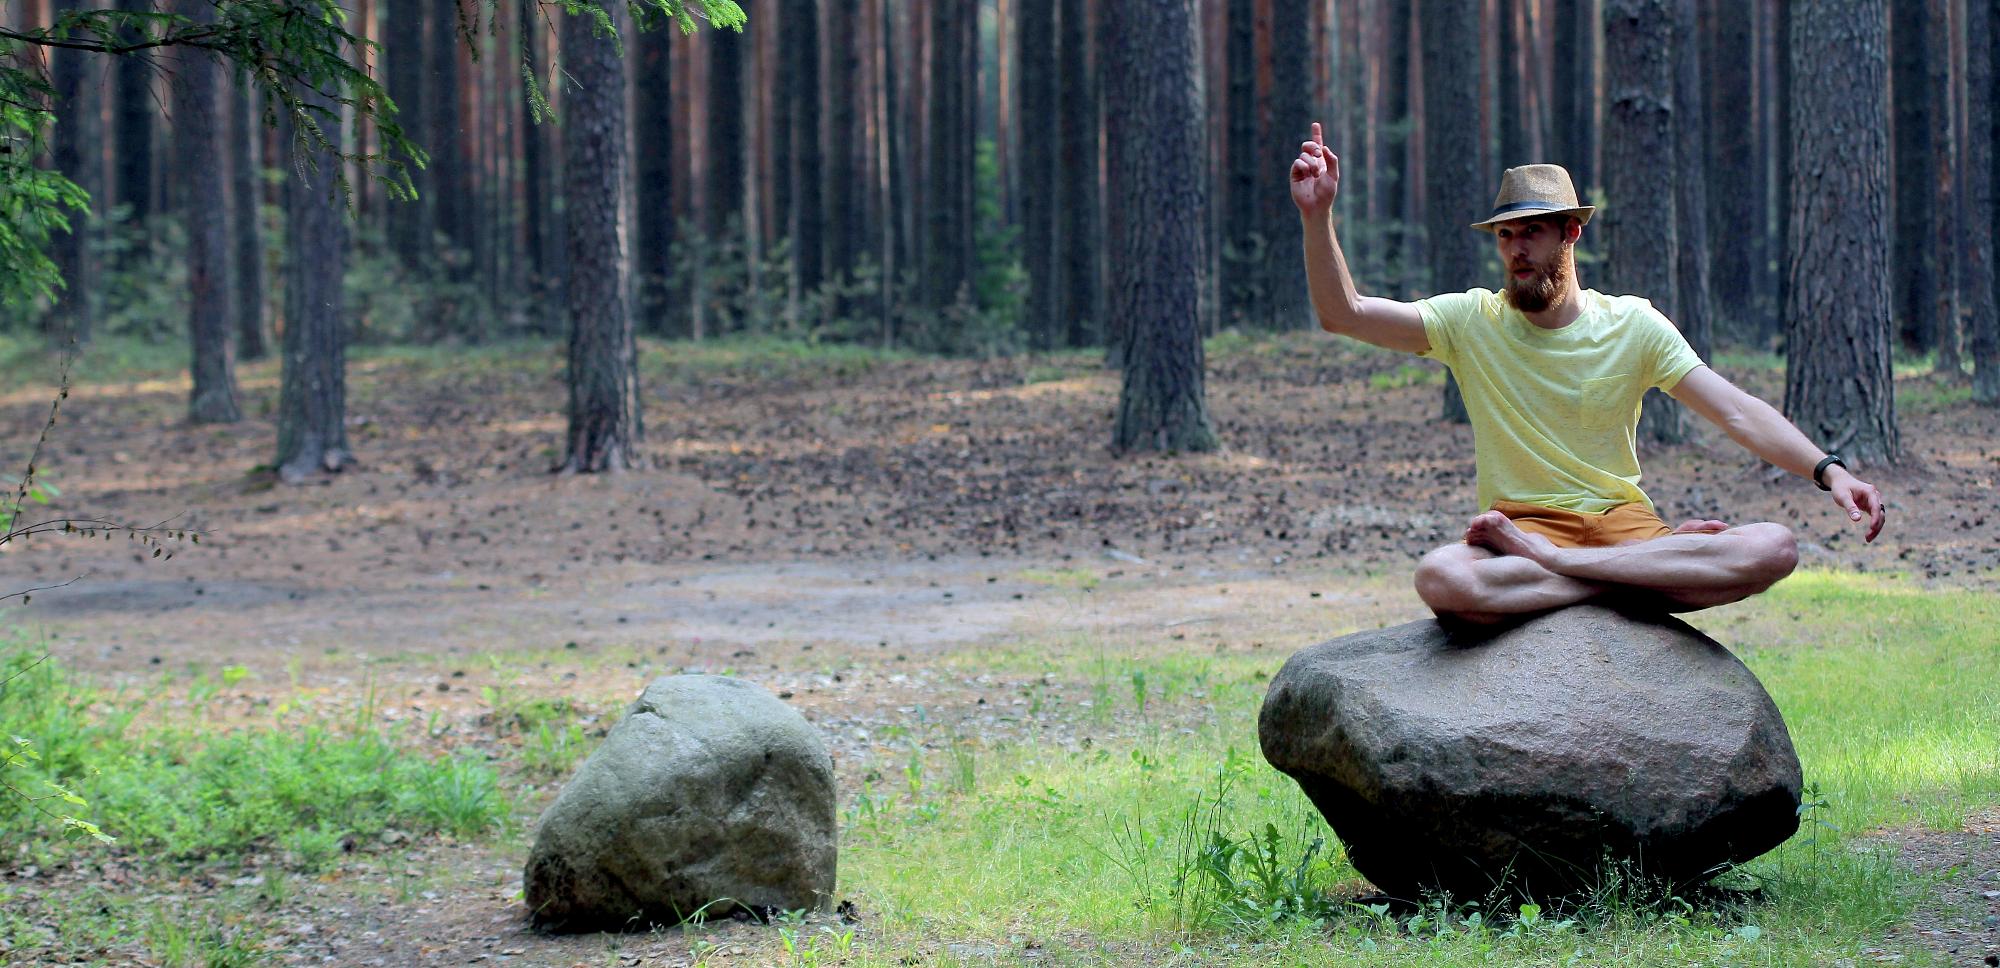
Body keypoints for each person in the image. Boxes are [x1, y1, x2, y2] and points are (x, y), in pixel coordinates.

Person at [1289, 124, 1886, 624]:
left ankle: (1577, 573)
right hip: (1522, 531)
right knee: (1441, 577)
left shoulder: (1632, 324)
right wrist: (1318, 216)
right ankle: (1639, 584)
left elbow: (1733, 409)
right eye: (1506, 235)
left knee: (1774, 546)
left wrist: (1828, 470)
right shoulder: (1471, 320)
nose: (1516, 249)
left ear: (1571, 233)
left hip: (1623, 529)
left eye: (1532, 232)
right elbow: (1345, 314)